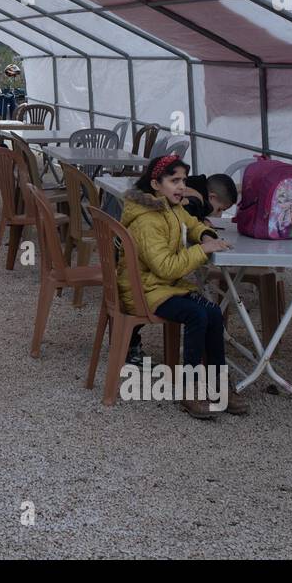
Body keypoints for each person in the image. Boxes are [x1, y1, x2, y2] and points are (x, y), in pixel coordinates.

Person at [119, 154, 244, 419]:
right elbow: (165, 267)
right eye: (174, 180)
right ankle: (190, 388)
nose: (181, 187)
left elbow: (194, 224)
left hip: (163, 286)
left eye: (183, 181)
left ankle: (219, 384)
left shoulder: (169, 207)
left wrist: (207, 234)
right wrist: (202, 250)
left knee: (212, 311)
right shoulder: (146, 220)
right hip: (145, 291)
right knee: (197, 314)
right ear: (155, 184)